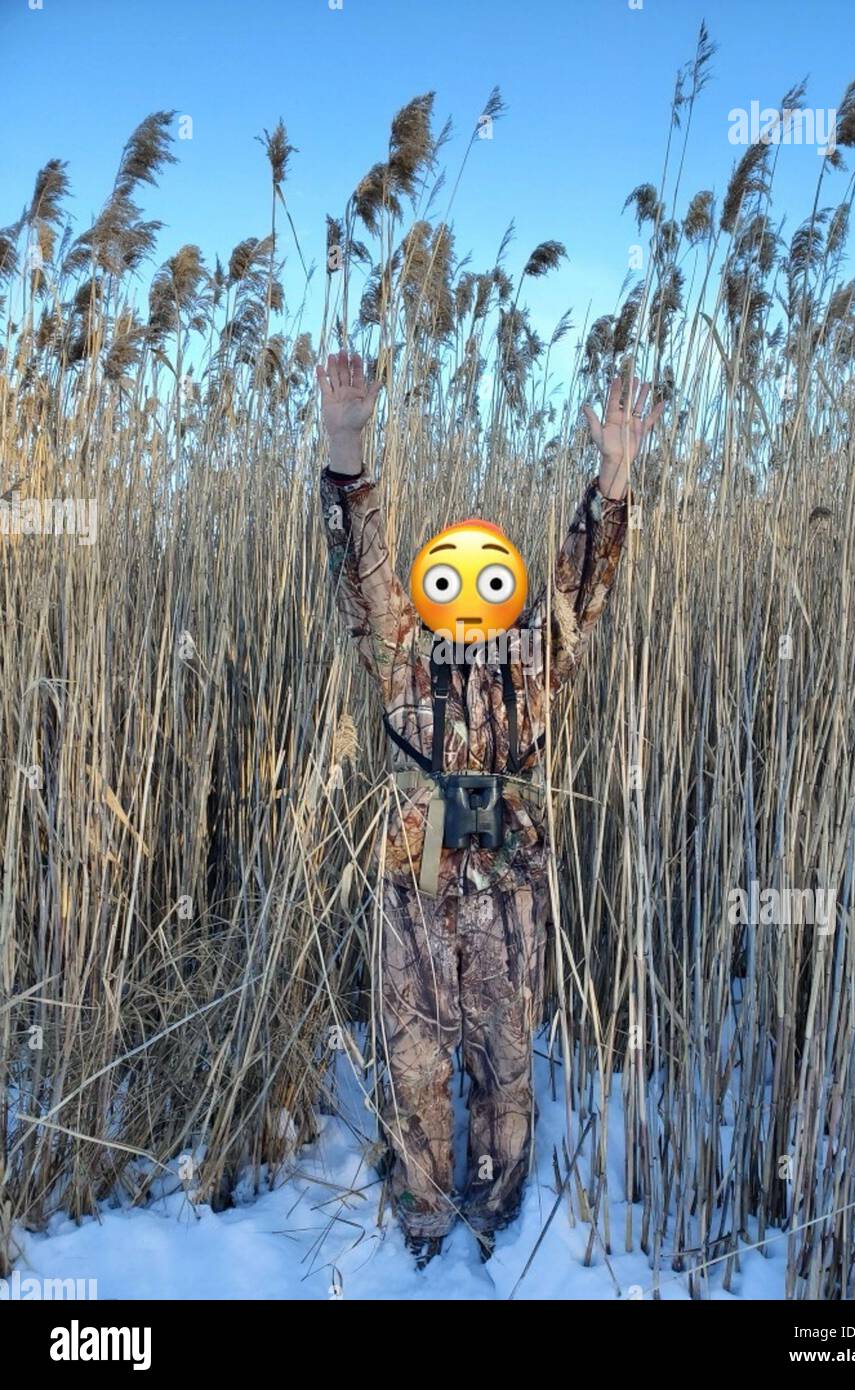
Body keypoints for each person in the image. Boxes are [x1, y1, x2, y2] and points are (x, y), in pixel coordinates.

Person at [318, 350, 662, 1265]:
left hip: (509, 878)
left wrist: (615, 475)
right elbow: (360, 572)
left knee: (508, 1061)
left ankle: (503, 1216)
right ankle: (425, 1216)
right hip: (413, 875)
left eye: (487, 574)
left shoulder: (536, 657)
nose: (469, 590)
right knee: (415, 1054)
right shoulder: (399, 654)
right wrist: (345, 445)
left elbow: (585, 585)